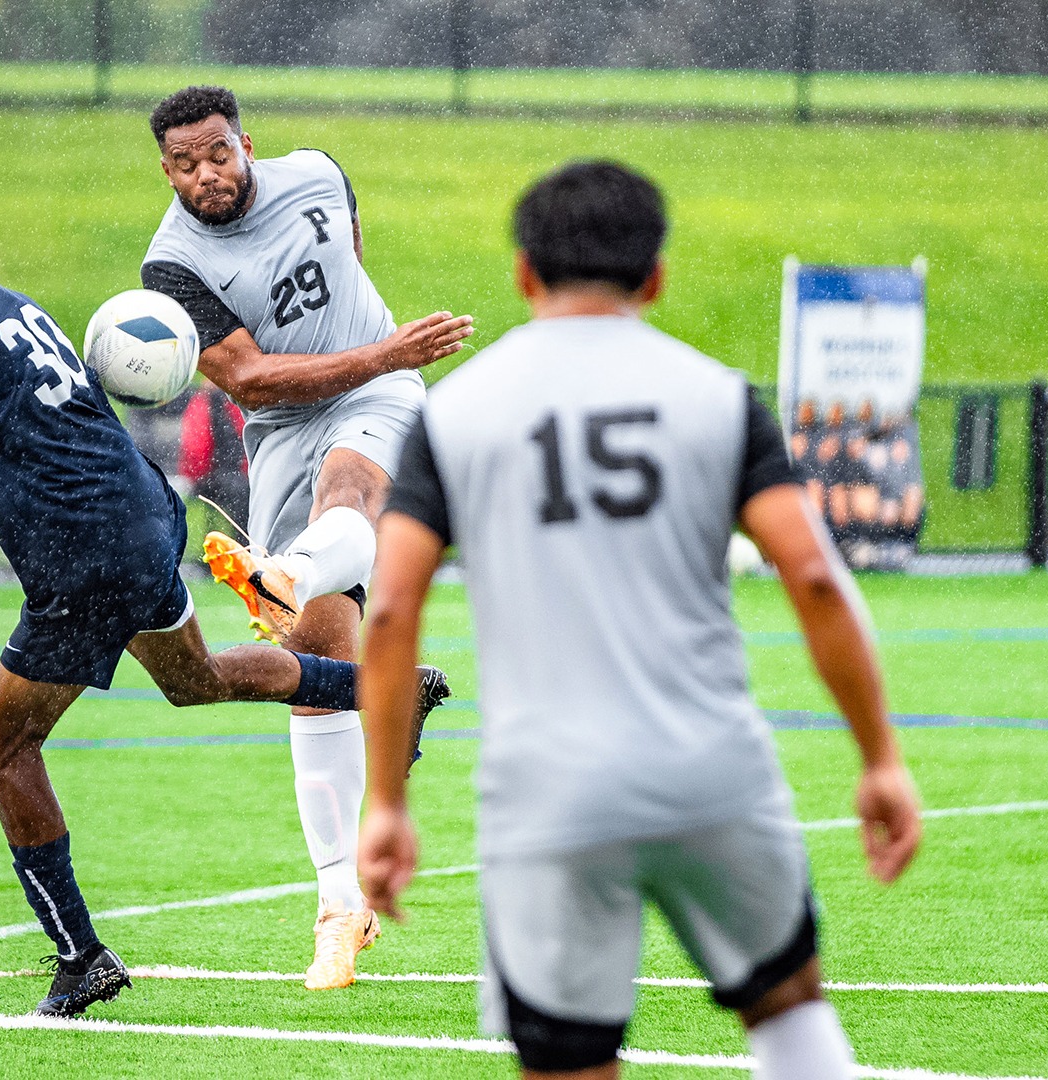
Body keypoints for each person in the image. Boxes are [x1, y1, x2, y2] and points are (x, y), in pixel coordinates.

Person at [0, 190, 447, 1015]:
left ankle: (79, 955)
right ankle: (392, 691)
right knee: (194, 678)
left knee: (2, 744)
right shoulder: (1, 305)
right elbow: (55, 422)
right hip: (142, 514)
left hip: (79, 560)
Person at [358, 161, 924, 1080]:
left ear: (523, 273)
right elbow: (816, 578)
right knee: (788, 1013)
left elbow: (389, 613)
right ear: (656, 276)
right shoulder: (717, 396)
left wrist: (387, 801)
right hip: (712, 770)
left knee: (571, 1062)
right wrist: (880, 759)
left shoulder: (457, 415)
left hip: (550, 794)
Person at [139, 84, 473, 988]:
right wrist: (386, 350)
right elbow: (248, 379)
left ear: (246, 142)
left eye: (217, 153)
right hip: (283, 425)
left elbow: (349, 262)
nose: (204, 174)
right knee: (319, 673)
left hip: (378, 395)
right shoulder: (170, 271)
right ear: (164, 168)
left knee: (354, 489)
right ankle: (339, 905)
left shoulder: (320, 172)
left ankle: (279, 573)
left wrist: (381, 366)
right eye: (183, 163)